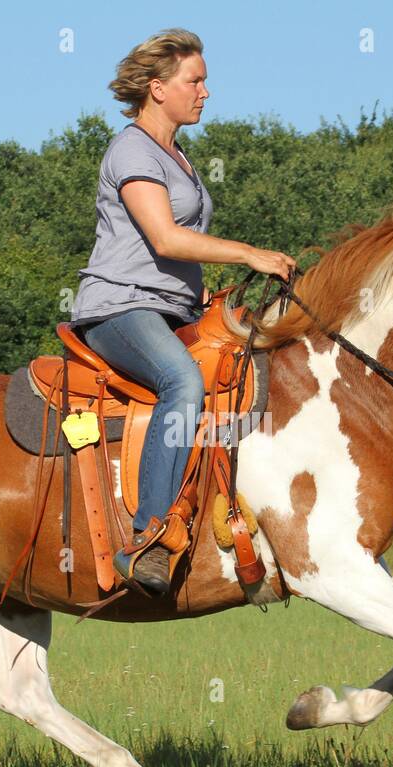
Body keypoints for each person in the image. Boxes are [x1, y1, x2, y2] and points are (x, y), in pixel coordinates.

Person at [68, 28, 296, 596]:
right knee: (182, 381)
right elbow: (167, 240)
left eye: (204, 81)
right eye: (195, 81)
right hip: (120, 309)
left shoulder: (177, 156)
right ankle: (148, 538)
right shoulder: (132, 150)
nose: (205, 92)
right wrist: (249, 253)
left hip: (170, 312)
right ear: (157, 87)